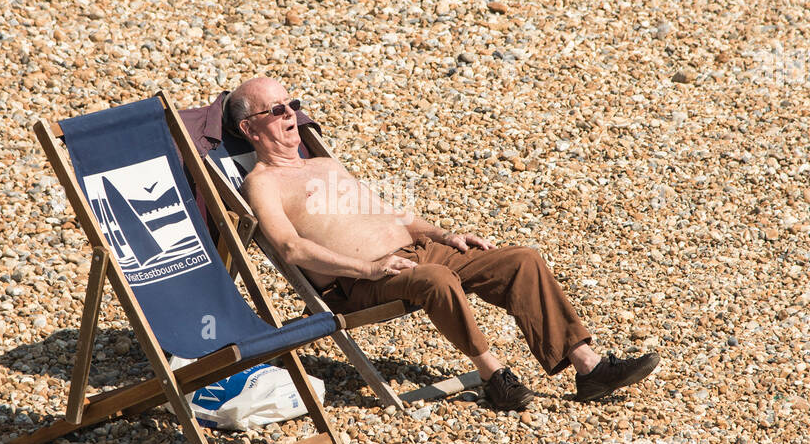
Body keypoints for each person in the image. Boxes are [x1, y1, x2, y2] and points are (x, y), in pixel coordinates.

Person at [233, 77, 659, 411]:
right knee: (436, 279)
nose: (291, 113)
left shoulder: (324, 163)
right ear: (249, 128)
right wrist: (370, 270)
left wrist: (443, 234)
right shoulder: (263, 185)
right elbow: (290, 249)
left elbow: (393, 214)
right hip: (361, 281)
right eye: (277, 109)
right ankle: (495, 378)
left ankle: (590, 367)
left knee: (520, 260)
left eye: (294, 104)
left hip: (417, 253)